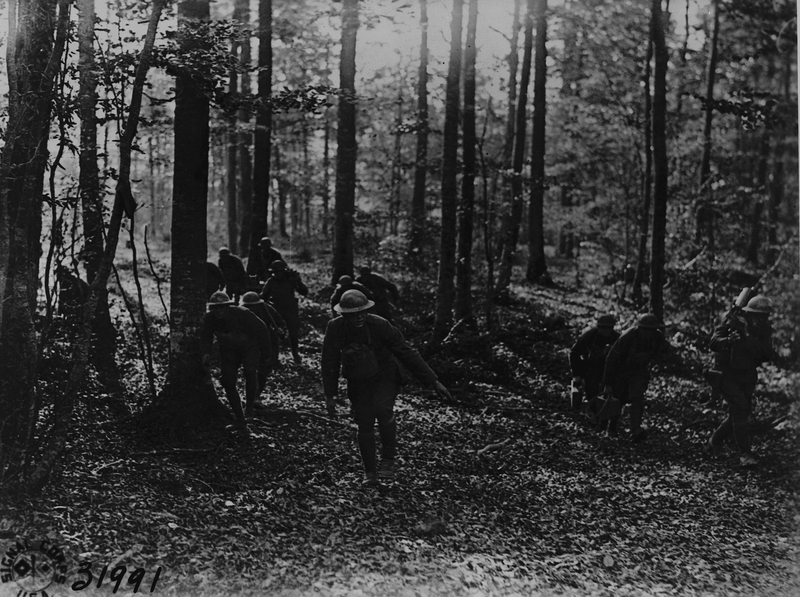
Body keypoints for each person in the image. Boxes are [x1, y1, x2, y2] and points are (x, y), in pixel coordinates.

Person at [321, 290, 452, 487]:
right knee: (364, 422)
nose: (358, 317)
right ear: (343, 314)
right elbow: (329, 362)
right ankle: (370, 473)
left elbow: (406, 351)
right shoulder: (335, 328)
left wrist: (433, 381)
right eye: (353, 314)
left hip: (385, 374)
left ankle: (388, 460)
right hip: (358, 378)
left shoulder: (380, 325)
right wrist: (330, 395)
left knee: (382, 409)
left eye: (362, 312)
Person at [708, 295, 773, 467]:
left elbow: (766, 354)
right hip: (725, 373)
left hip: (747, 374)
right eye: (757, 315)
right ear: (749, 313)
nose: (761, 319)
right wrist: (729, 341)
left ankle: (715, 440)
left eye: (764, 316)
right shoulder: (731, 322)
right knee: (740, 407)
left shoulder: (764, 330)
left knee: (741, 411)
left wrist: (747, 337)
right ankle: (745, 453)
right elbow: (714, 342)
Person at [201, 291, 272, 431]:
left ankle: (249, 409)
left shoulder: (243, 313)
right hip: (228, 350)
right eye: (216, 308)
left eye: (222, 307)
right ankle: (240, 419)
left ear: (228, 306)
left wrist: (267, 354)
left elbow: (262, 329)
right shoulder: (210, 318)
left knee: (250, 372)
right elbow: (206, 336)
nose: (219, 311)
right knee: (227, 380)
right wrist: (206, 353)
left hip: (249, 346)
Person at [601, 313, 669, 441]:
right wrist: (607, 383)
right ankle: (611, 428)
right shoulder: (628, 336)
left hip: (639, 371)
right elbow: (611, 359)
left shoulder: (658, 337)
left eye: (652, 330)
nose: (649, 333)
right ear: (640, 328)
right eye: (646, 329)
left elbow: (664, 352)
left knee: (637, 397)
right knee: (619, 398)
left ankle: (635, 430)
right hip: (620, 371)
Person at [260, 260, 308, 365]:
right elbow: (264, 297)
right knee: (275, 333)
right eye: (275, 272)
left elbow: (304, 292)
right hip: (277, 310)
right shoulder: (271, 281)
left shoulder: (291, 280)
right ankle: (275, 357)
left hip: (291, 309)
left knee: (293, 332)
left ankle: (295, 354)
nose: (277, 274)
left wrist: (298, 282)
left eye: (279, 271)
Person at [569, 314, 620, 411]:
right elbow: (574, 353)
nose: (606, 331)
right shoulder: (589, 336)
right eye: (603, 328)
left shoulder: (617, 338)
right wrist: (577, 374)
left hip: (610, 369)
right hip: (590, 366)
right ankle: (593, 408)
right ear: (599, 327)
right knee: (591, 389)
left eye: (608, 328)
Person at [241, 291, 283, 382]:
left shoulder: (266, 309)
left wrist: (280, 330)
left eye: (253, 306)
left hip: (267, 338)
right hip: (249, 340)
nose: (250, 309)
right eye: (248, 306)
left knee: (265, 367)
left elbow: (280, 322)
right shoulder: (241, 311)